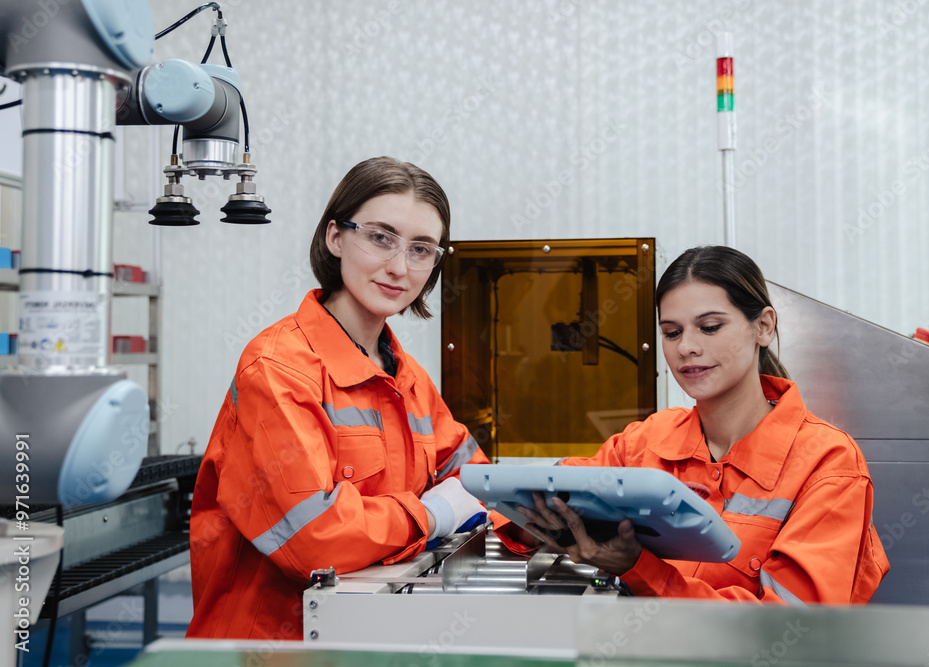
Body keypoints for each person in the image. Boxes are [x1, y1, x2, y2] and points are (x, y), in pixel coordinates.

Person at [187, 157, 488, 640]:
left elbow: (475, 481)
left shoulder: (405, 376)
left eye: (420, 249)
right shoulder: (277, 369)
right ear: (335, 237)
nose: (399, 267)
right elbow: (315, 540)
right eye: (381, 237)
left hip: (364, 638)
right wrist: (432, 514)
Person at [510, 245, 889, 604]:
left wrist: (639, 568)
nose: (686, 347)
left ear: (763, 327)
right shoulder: (647, 441)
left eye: (709, 327)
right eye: (672, 332)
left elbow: (788, 630)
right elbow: (536, 492)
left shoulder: (828, 464)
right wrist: (541, 520)